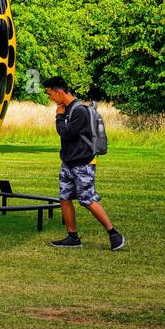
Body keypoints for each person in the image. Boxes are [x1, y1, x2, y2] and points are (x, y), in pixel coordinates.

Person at [44, 77, 124, 251]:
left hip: (83, 163)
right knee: (64, 198)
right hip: (68, 162)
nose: (50, 98)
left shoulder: (78, 110)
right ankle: (72, 237)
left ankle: (114, 234)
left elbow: (66, 134)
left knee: (87, 199)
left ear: (59, 92)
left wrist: (58, 116)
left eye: (50, 94)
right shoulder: (68, 109)